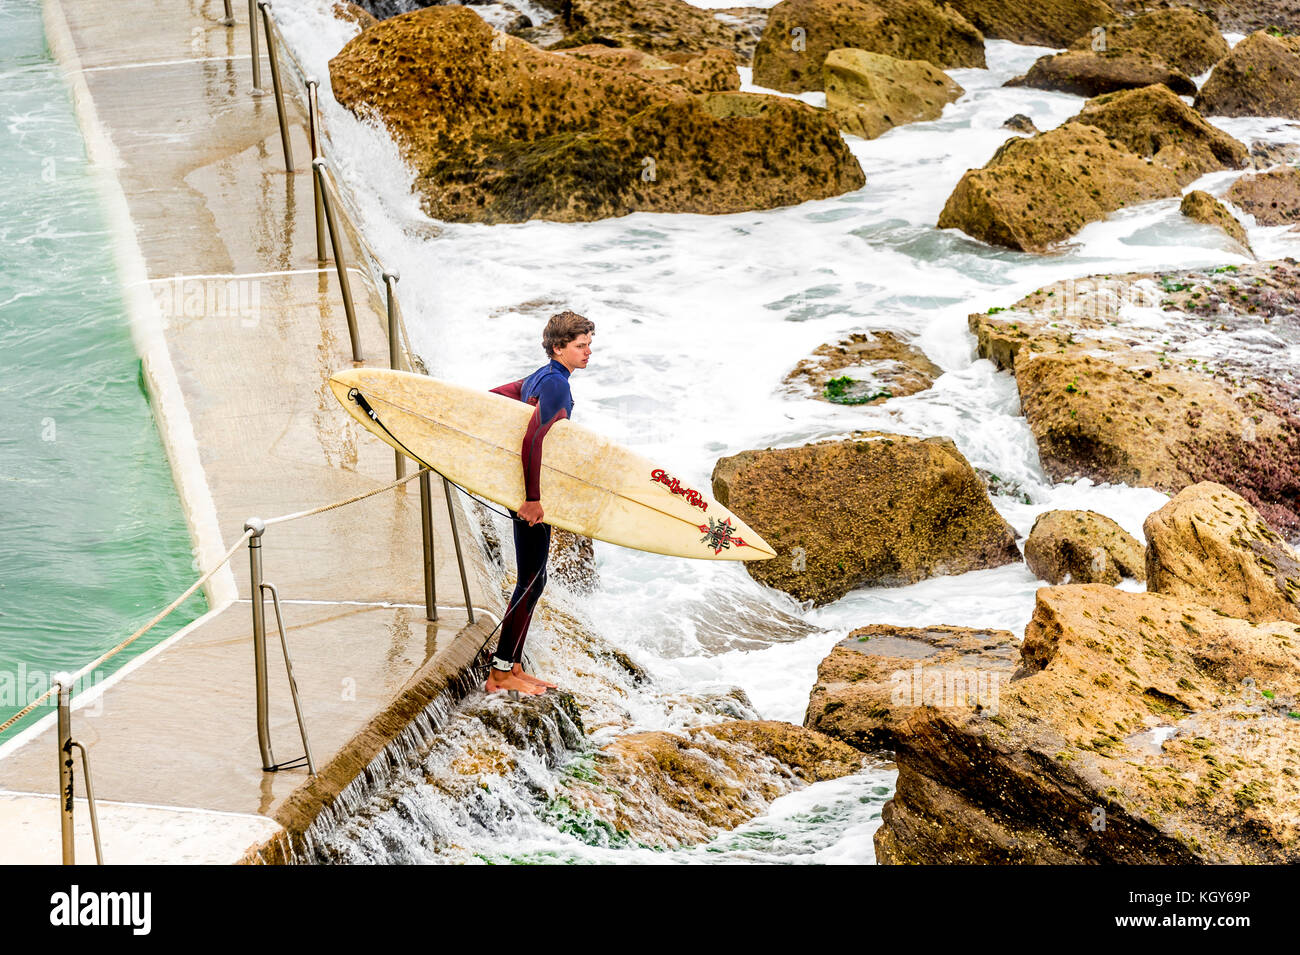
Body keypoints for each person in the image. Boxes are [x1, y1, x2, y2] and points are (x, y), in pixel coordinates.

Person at [485, 310, 594, 696]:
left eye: (589, 344)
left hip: (530, 488)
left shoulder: (542, 376)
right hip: (533, 494)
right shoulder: (555, 385)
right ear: (558, 347)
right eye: (581, 345)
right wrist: (532, 499)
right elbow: (534, 439)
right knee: (530, 579)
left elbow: (494, 398)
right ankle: (499, 674)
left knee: (536, 577)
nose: (588, 352)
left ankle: (512, 664)